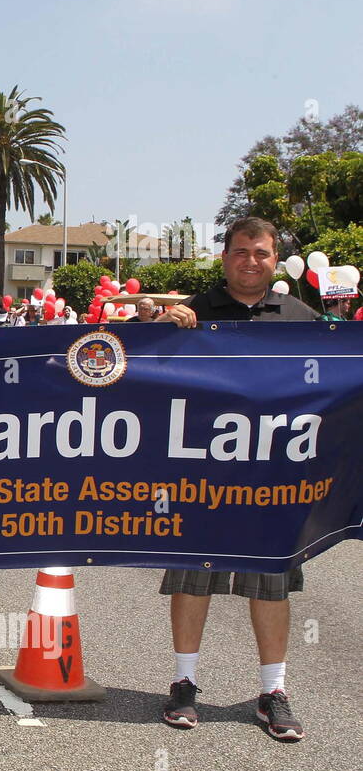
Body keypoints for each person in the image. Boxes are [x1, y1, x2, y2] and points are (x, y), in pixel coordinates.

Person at [158, 217, 318, 741]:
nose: (252, 260)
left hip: (274, 479)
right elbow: (149, 375)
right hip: (201, 475)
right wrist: (160, 324)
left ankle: (273, 691)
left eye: (262, 253)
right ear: (224, 257)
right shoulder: (194, 314)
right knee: (193, 579)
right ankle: (184, 683)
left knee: (270, 586)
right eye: (241, 251)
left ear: (276, 260)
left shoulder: (304, 320)